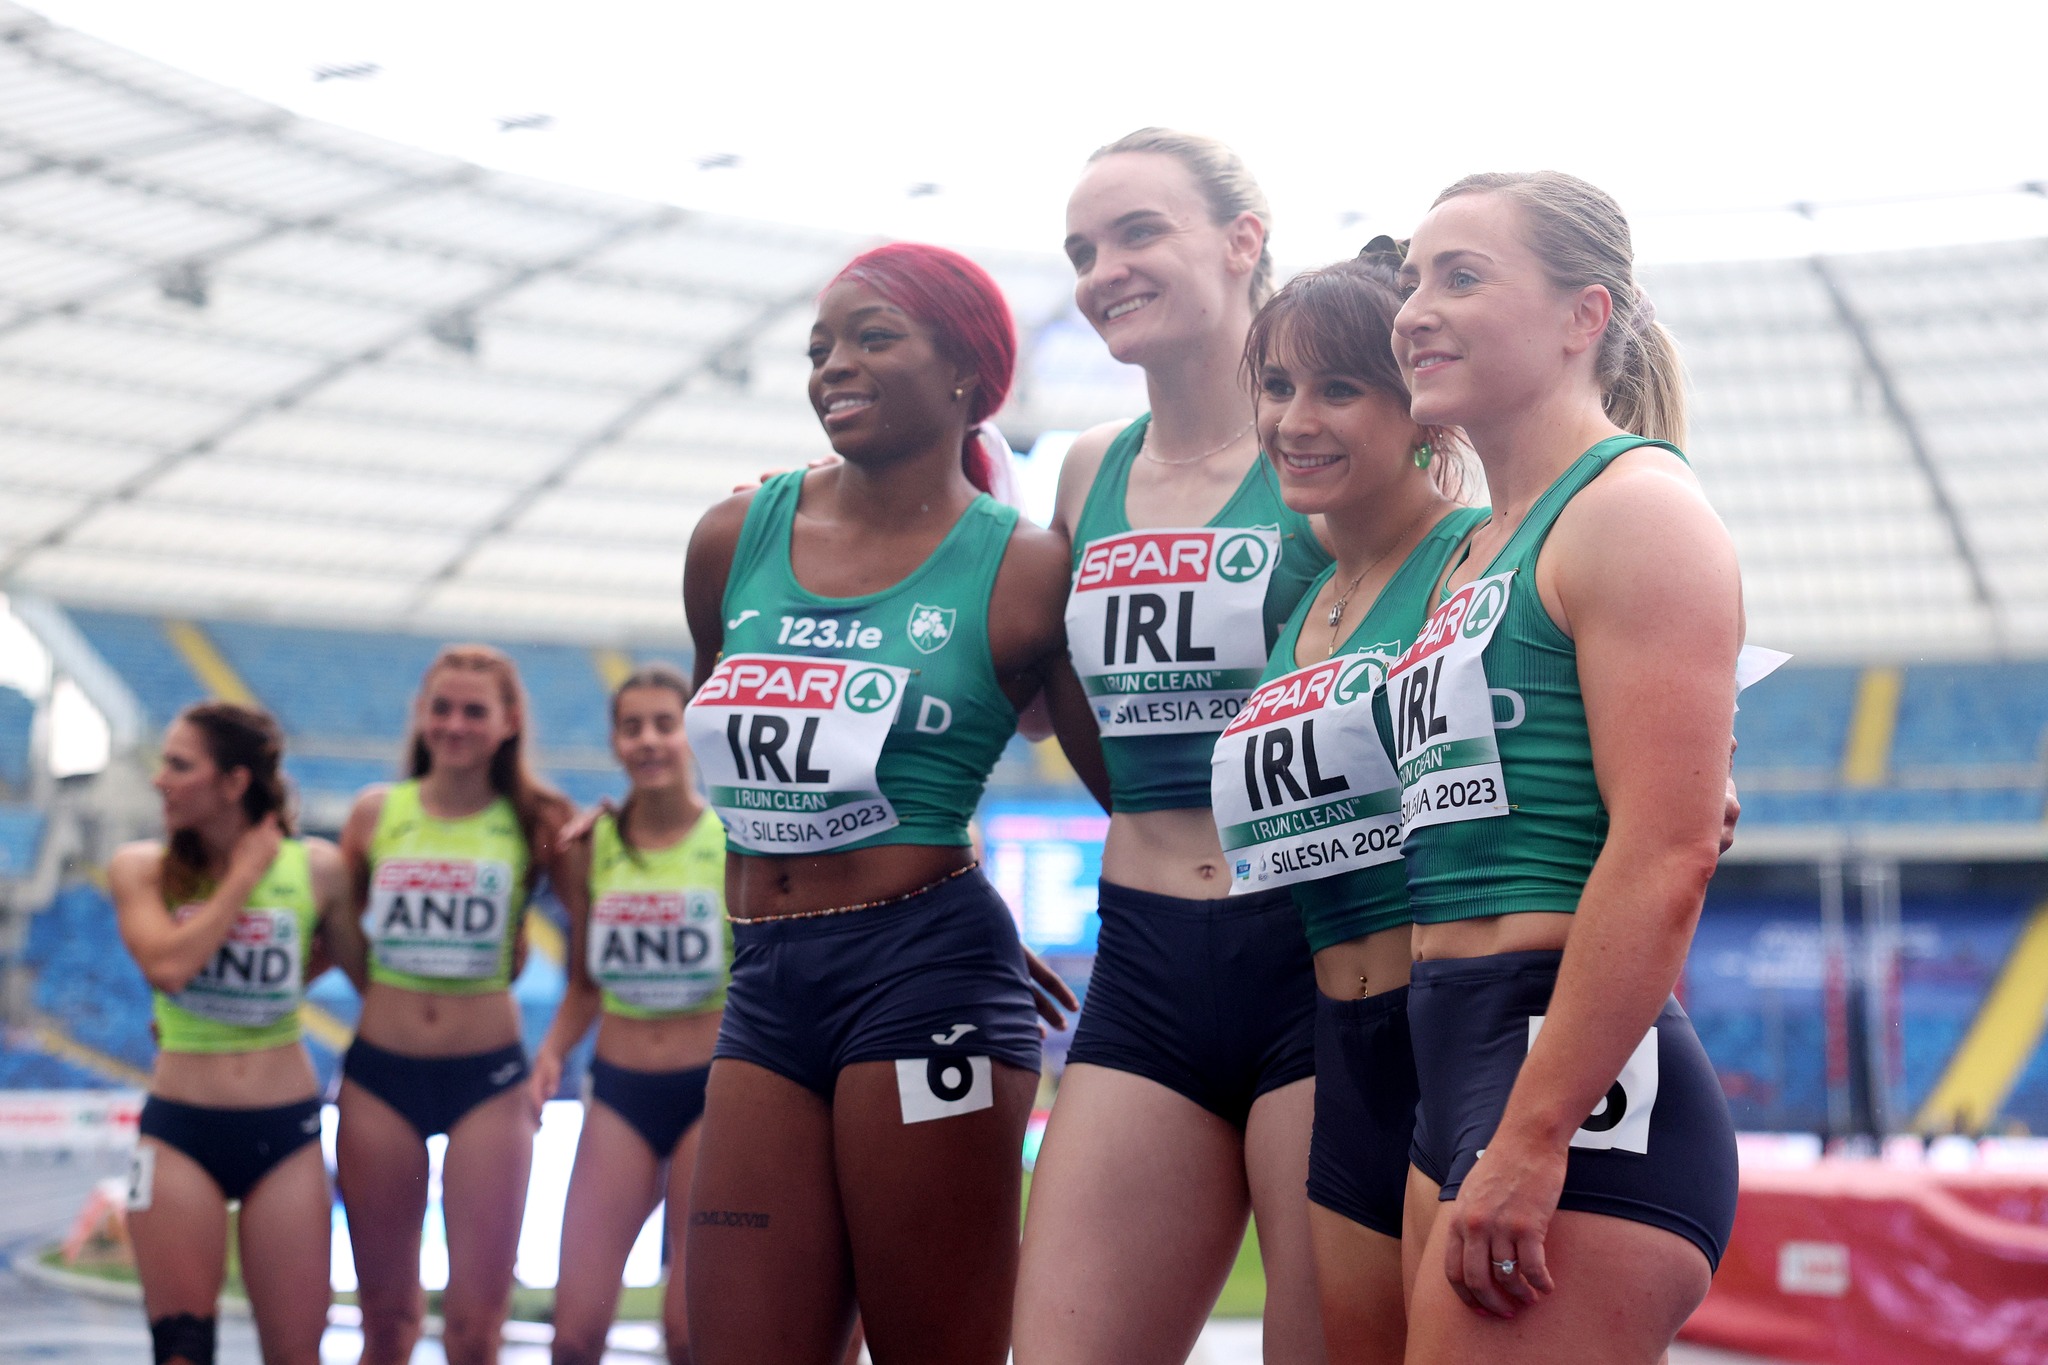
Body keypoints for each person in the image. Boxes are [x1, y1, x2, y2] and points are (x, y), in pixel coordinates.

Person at [679, 242, 1092, 1365]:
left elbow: (1123, 785)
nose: (832, 367)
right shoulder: (732, 539)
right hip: (764, 979)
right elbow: (759, 750)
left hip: (928, 982)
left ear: (966, 370)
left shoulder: (1023, 568)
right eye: (818, 348)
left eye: (871, 338)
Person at [1389, 172, 1742, 1363]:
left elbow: (1668, 849)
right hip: (1450, 1046)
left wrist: (1534, 1132)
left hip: (1560, 1061)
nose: (1413, 310)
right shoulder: (1474, 546)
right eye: (1410, 281)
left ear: (1581, 317)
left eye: (1460, 276)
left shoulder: (1632, 510)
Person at [1015, 128, 1331, 1365]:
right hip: (1142, 959)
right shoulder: (1084, 470)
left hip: (1322, 955)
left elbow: (1493, 603)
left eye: (1137, 233)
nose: (1101, 272)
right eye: (1083, 251)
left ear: (1241, 240)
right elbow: (1018, 697)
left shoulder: (1354, 444)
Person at [1209, 247, 1485, 1365]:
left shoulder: (1475, 555)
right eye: (1275, 386)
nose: (1291, 420)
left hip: (1456, 1032)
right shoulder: (1313, 592)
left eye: (1336, 388)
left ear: (1418, 407)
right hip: (1337, 1041)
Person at [326, 645, 572, 1365]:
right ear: (420, 716)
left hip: (489, 1081)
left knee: (474, 1328)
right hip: (379, 1078)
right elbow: (333, 934)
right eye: (441, 707)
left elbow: (598, 938)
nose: (455, 723)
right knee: (386, 1322)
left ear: (508, 723)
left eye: (473, 710)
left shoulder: (539, 821)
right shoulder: (376, 814)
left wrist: (556, 1044)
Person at [109, 702, 352, 1365]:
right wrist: (244, 875)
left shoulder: (319, 869)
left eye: (179, 765)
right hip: (179, 1132)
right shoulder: (142, 867)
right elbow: (169, 964)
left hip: (286, 1133)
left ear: (234, 781)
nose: (160, 779)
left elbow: (353, 963)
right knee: (182, 1351)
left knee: (298, 1354)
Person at [528, 663, 728, 1365]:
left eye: (663, 724)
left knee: (687, 1331)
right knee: (575, 1335)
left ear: (689, 734)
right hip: (620, 1089)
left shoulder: (733, 838)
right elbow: (584, 981)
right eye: (632, 726)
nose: (648, 740)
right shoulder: (593, 846)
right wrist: (551, 1051)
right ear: (614, 741)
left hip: (713, 1091)